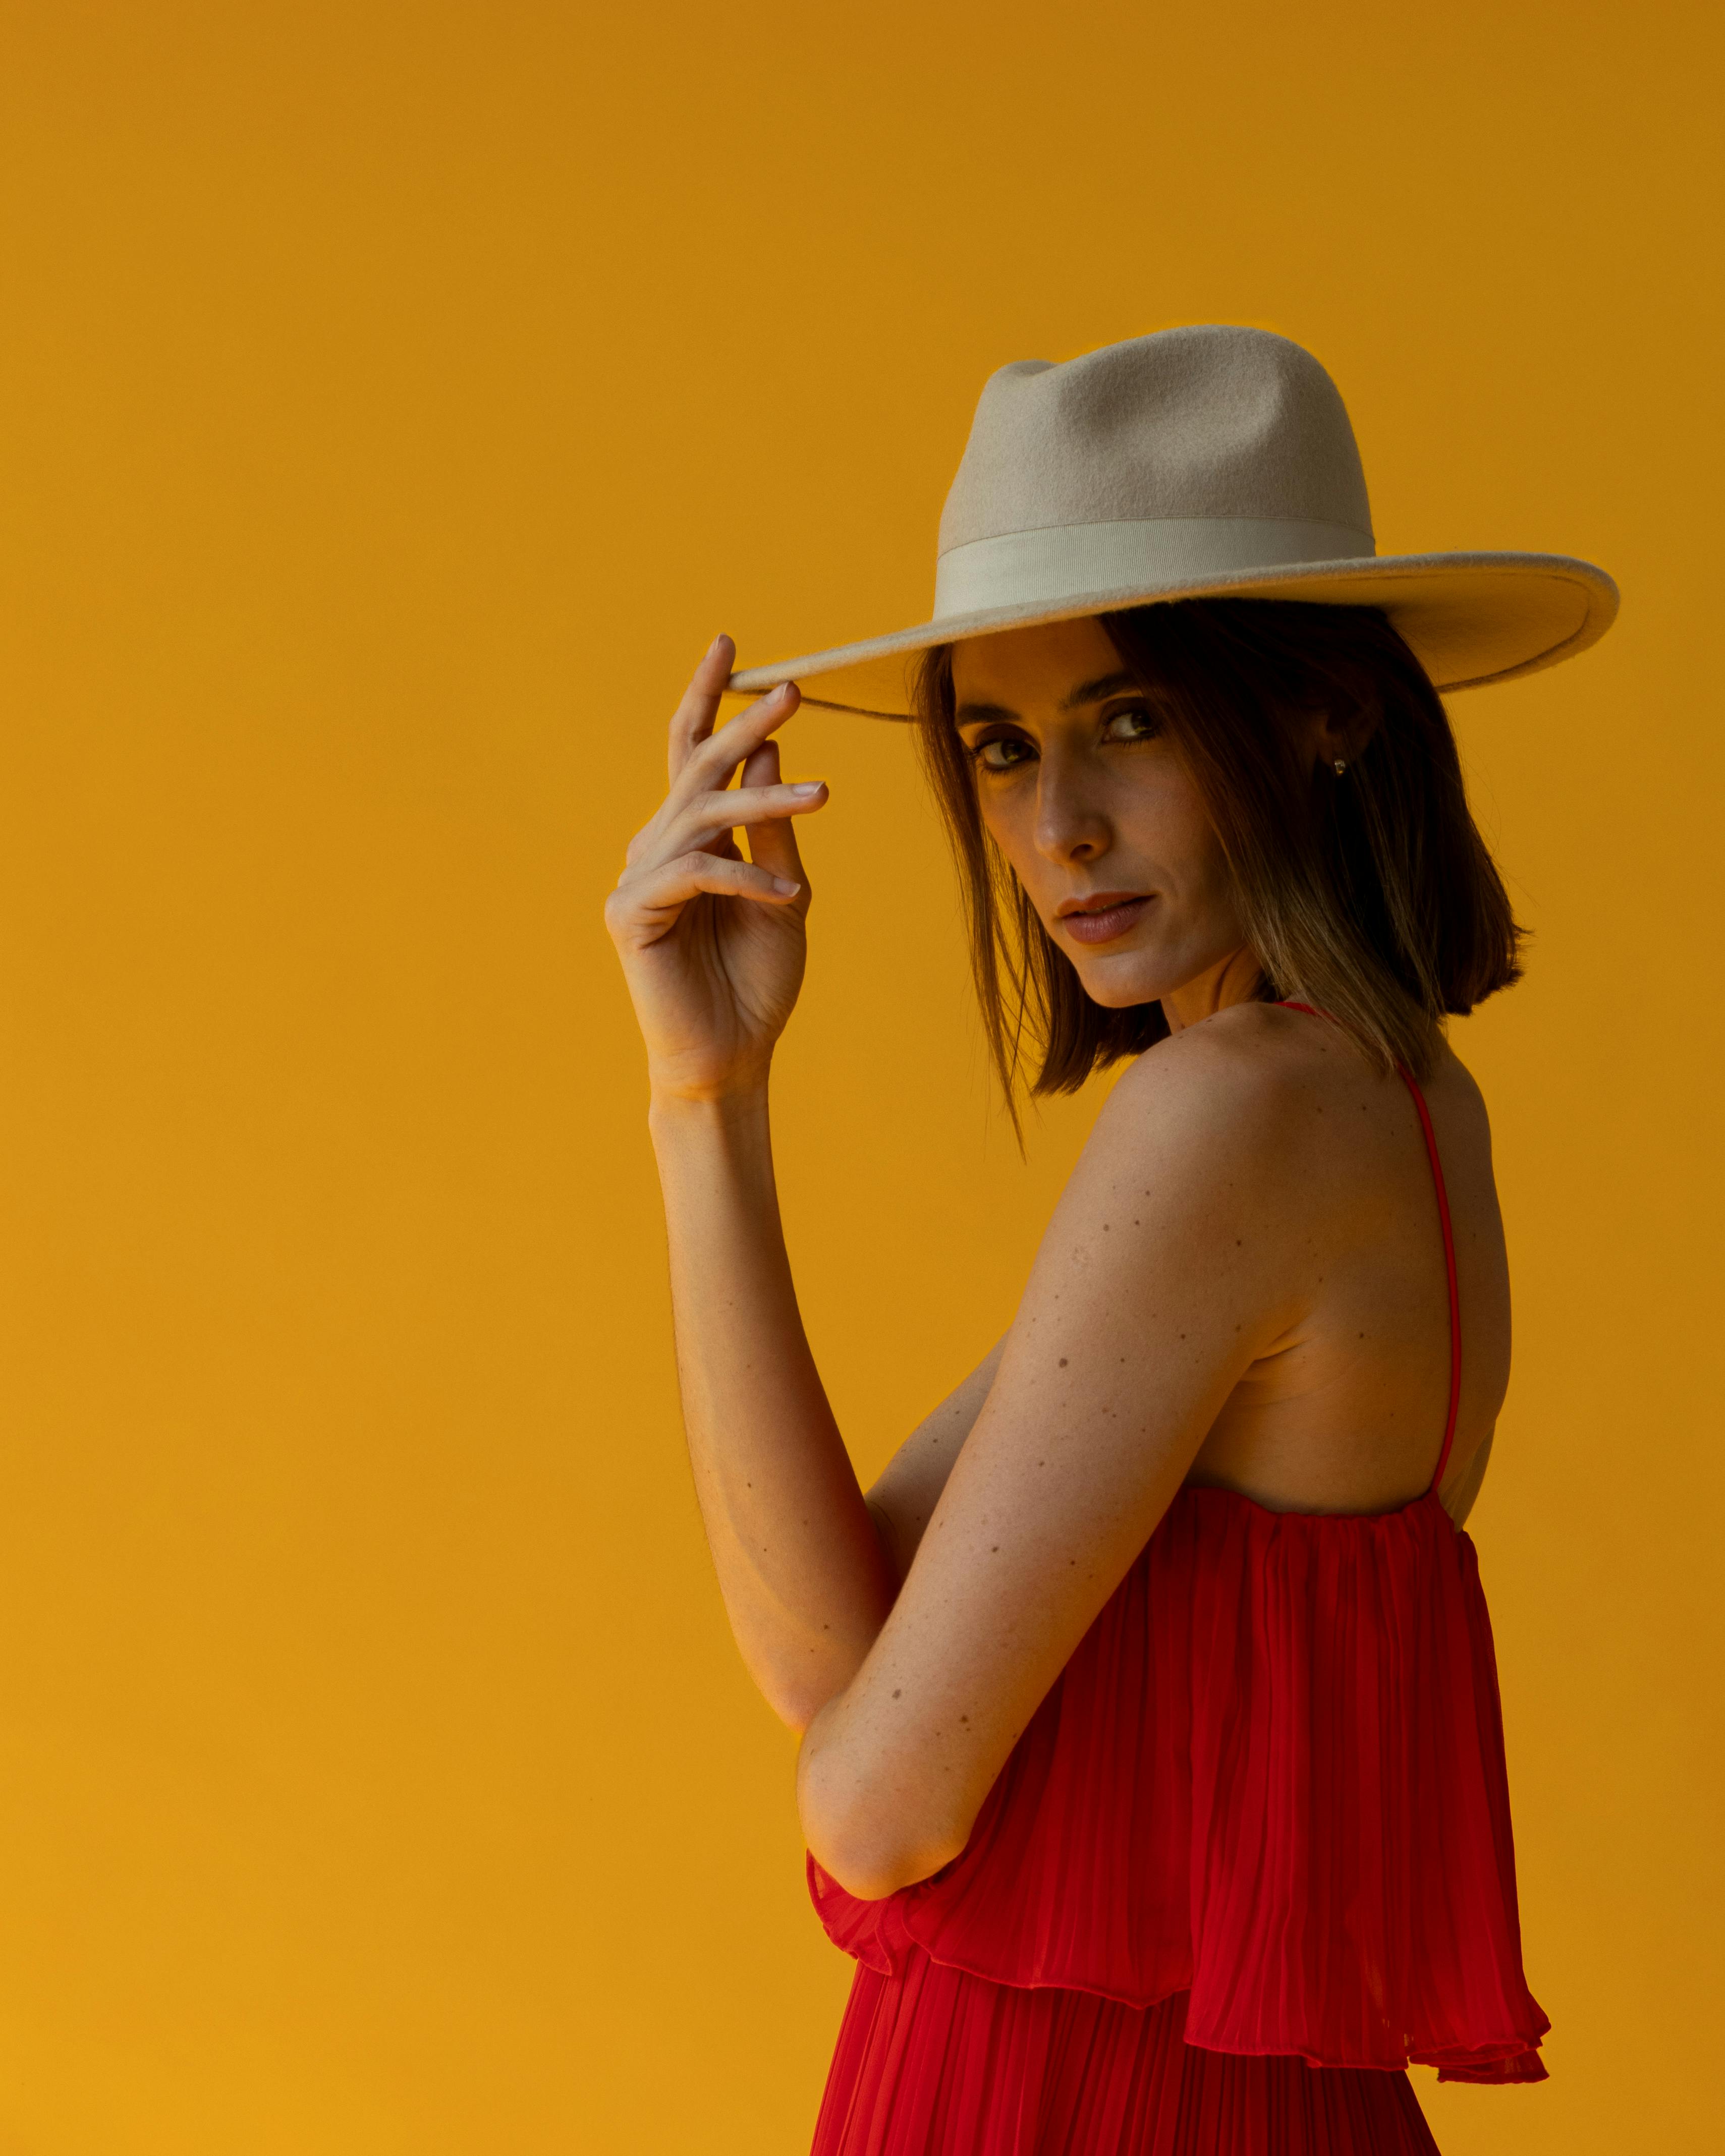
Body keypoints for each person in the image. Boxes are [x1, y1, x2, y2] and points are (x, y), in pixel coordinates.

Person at [604, 326, 1617, 2155]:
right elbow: (836, 1649)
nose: (1054, 830)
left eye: (1131, 719)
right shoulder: (1389, 1097)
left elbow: (876, 1803)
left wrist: (862, 1767)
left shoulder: (1227, 1115)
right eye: (998, 746)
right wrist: (709, 1098)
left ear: (1328, 710)